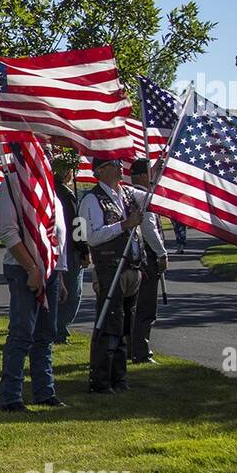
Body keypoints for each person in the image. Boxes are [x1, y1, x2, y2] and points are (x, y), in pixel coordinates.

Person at [79, 157, 166, 393]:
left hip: (131, 267)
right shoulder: (92, 199)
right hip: (110, 268)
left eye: (119, 163)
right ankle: (100, 380)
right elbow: (92, 236)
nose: (120, 167)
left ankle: (119, 378)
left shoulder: (127, 193)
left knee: (125, 324)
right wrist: (124, 225)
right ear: (101, 171)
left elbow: (152, 200)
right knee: (110, 324)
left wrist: (155, 175)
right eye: (114, 164)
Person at [0, 172, 68, 412]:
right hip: (22, 269)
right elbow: (8, 232)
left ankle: (44, 391)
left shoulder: (49, 188)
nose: (46, 155)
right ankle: (11, 397)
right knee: (22, 333)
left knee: (46, 334)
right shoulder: (11, 184)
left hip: (51, 270)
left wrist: (61, 272)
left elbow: (57, 233)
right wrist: (31, 268)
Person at [126, 159, 169, 364]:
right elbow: (150, 229)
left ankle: (127, 348)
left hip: (130, 259)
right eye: (153, 172)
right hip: (146, 258)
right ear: (144, 176)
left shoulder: (126, 194)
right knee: (144, 308)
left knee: (130, 307)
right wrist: (162, 254)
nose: (157, 176)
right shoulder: (144, 198)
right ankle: (141, 352)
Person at [53, 161, 90, 344]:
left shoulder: (50, 191)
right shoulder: (67, 195)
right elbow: (77, 224)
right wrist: (84, 249)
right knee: (72, 293)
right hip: (70, 249)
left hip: (56, 248)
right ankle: (60, 330)